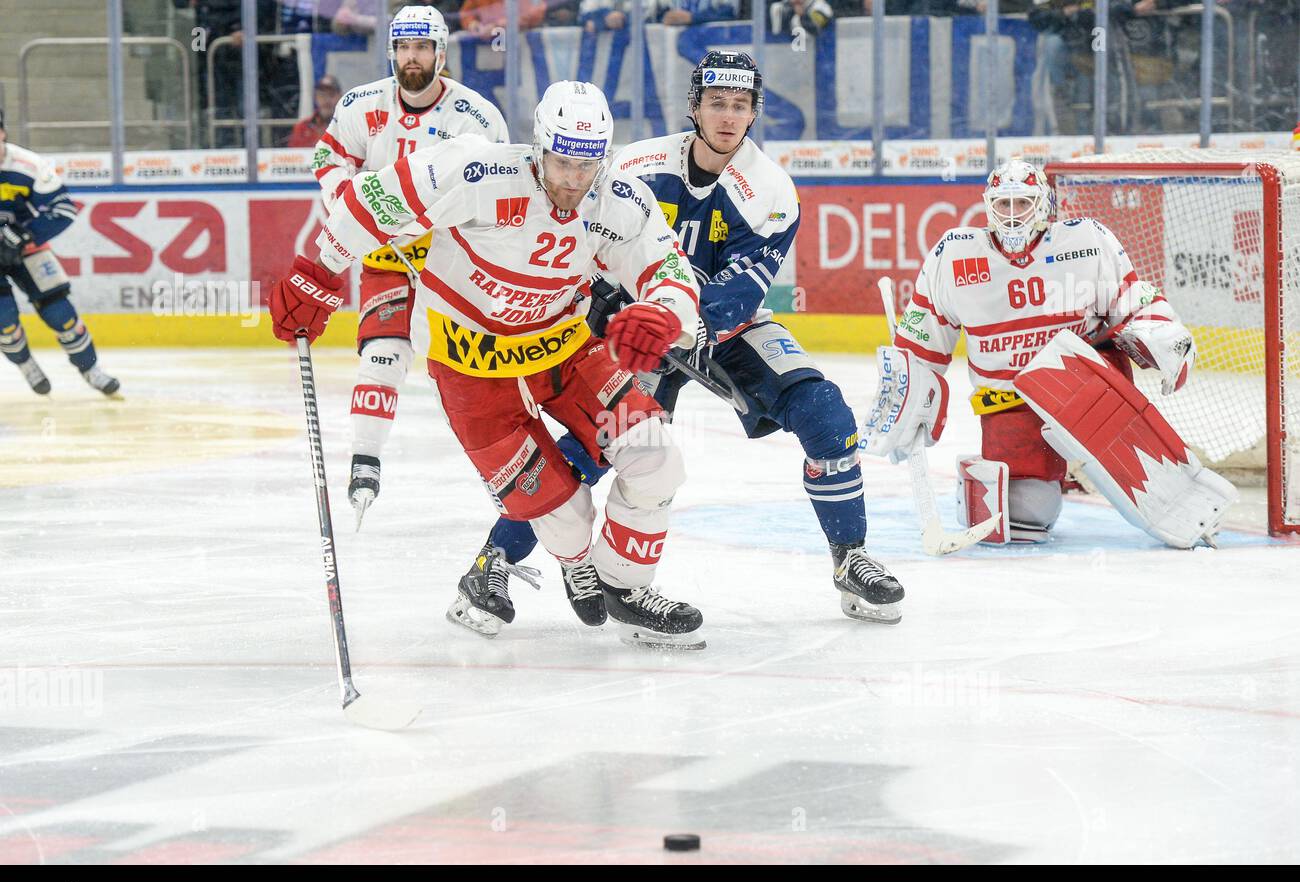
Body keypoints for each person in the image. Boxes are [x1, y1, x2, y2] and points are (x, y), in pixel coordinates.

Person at [451, 51, 906, 635]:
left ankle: (851, 557)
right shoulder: (637, 166)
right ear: (694, 106)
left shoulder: (771, 190)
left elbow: (741, 293)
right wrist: (607, 300)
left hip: (716, 331)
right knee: (600, 445)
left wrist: (672, 319)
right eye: (716, 102)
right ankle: (494, 562)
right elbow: (578, 243)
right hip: (634, 334)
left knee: (826, 413)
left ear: (753, 113)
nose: (727, 116)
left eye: (740, 106)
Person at [270, 81, 708, 649]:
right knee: (567, 513)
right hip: (473, 375)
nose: (575, 178)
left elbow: (670, 273)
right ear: (539, 146)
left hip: (567, 357)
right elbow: (372, 198)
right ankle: (576, 560)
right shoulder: (474, 171)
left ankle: (623, 589)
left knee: (655, 458)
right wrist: (320, 270)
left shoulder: (620, 200)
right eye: (563, 160)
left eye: (589, 163)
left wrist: (663, 314)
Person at [861, 158, 1216, 548]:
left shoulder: (1087, 242)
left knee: (1153, 479)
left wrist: (1162, 332)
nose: (1012, 216)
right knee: (1027, 513)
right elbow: (921, 346)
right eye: (1003, 205)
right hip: (1008, 401)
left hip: (1084, 389)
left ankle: (1175, 496)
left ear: (1043, 204)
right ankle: (1016, 481)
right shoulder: (954, 255)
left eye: (1023, 204)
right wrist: (905, 395)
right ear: (988, 206)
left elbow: (1131, 298)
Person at [311, 5, 507, 526]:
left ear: (441, 53)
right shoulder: (360, 104)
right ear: (392, 51)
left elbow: (498, 194)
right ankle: (365, 458)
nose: (412, 57)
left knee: (477, 368)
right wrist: (344, 198)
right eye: (404, 47)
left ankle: (505, 471)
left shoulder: (477, 117)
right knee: (384, 350)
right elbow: (329, 158)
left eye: (422, 48)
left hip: (452, 259)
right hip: (386, 255)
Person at [0, 109, 120, 397]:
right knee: (4, 323)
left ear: (2, 133)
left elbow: (63, 208)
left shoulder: (29, 165)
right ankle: (26, 364)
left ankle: (91, 370)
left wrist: (24, 235)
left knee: (59, 312)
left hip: (26, 248)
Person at [288, 74, 343, 147]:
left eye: (331, 95)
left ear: (340, 96)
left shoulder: (348, 126)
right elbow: (294, 154)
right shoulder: (302, 127)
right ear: (316, 97)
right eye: (322, 95)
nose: (326, 100)